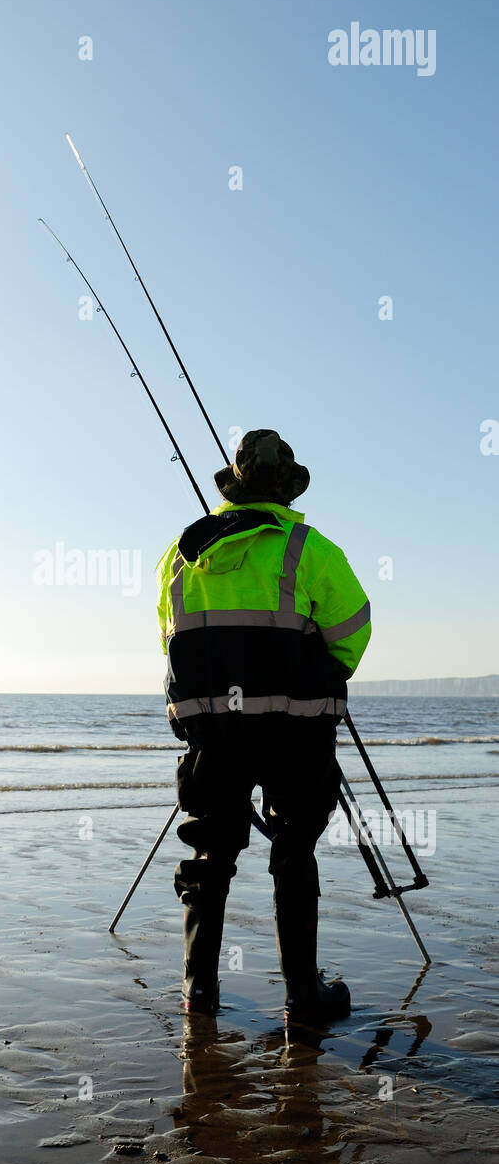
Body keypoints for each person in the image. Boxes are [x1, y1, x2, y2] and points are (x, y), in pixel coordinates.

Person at [156, 429, 371, 1024]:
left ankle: (199, 993)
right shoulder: (310, 549)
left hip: (211, 734)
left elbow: (169, 639)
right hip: (294, 731)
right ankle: (303, 998)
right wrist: (313, 668)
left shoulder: (179, 555)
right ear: (286, 488)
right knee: (295, 844)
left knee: (210, 852)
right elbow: (353, 635)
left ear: (234, 486)